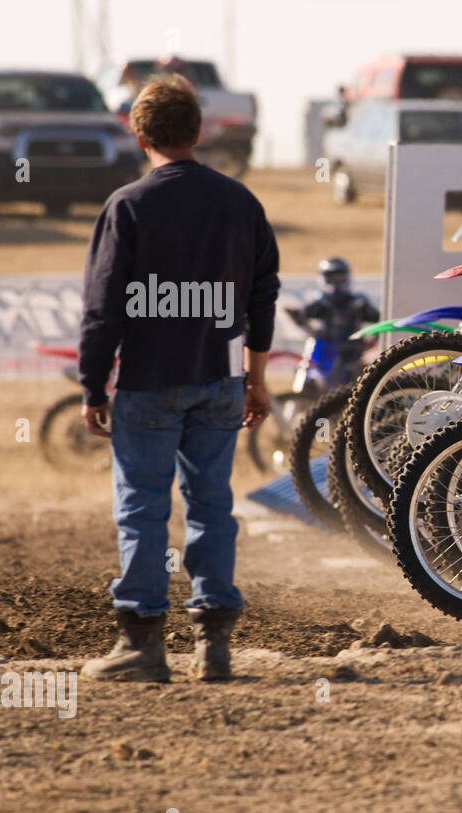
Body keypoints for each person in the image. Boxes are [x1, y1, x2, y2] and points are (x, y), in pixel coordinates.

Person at [77, 74, 280, 682]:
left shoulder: (129, 205)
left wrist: (91, 385)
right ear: (199, 130)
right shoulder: (239, 202)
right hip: (220, 378)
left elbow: (103, 305)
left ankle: (142, 642)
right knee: (211, 505)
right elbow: (263, 293)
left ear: (139, 134)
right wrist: (256, 377)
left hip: (149, 380)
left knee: (141, 508)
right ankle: (213, 644)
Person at [295, 257, 379, 388]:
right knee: (307, 376)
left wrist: (371, 343)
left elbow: (378, 321)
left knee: (363, 386)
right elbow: (301, 316)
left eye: (339, 277)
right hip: (325, 354)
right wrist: (313, 333)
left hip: (353, 355)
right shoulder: (319, 302)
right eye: (332, 278)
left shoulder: (358, 302)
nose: (336, 282)